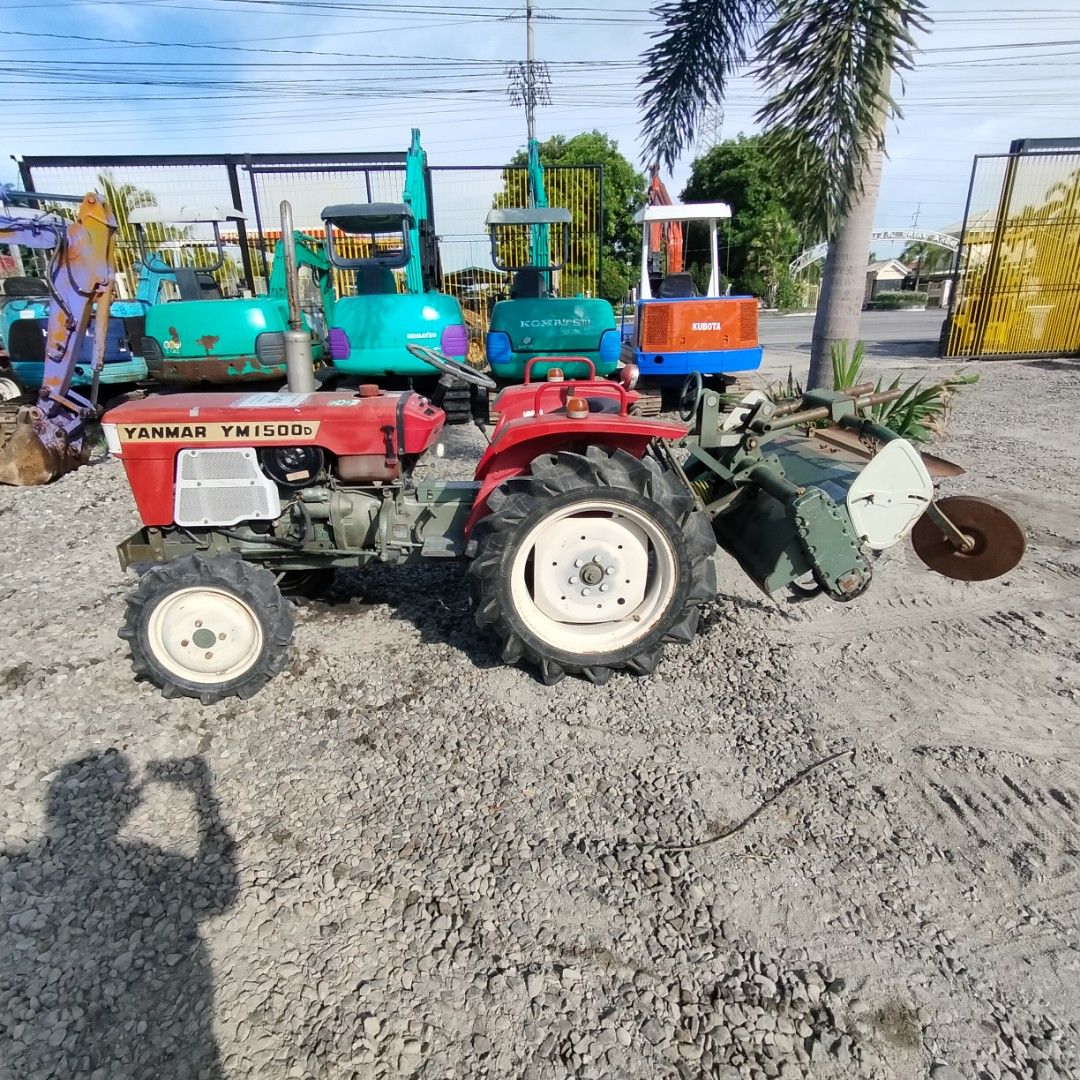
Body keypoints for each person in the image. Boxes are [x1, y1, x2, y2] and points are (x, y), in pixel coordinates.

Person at [0, 750, 237, 1079]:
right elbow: (221, 895)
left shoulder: (33, 870)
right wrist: (203, 792)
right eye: (126, 791)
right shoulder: (138, 856)